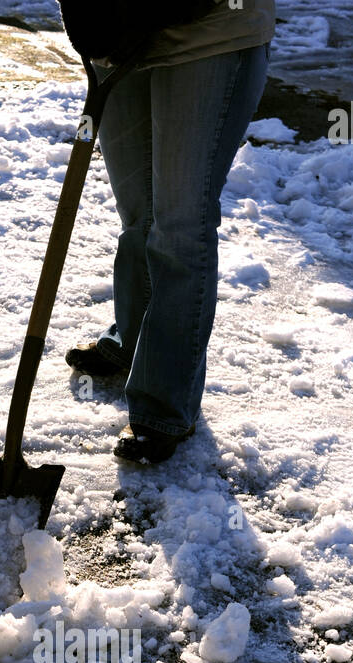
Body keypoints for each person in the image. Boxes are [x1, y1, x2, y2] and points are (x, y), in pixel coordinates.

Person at [66, 0, 275, 464]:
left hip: (211, 33)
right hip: (119, 37)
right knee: (138, 212)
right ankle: (134, 341)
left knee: (180, 224)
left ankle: (163, 404)